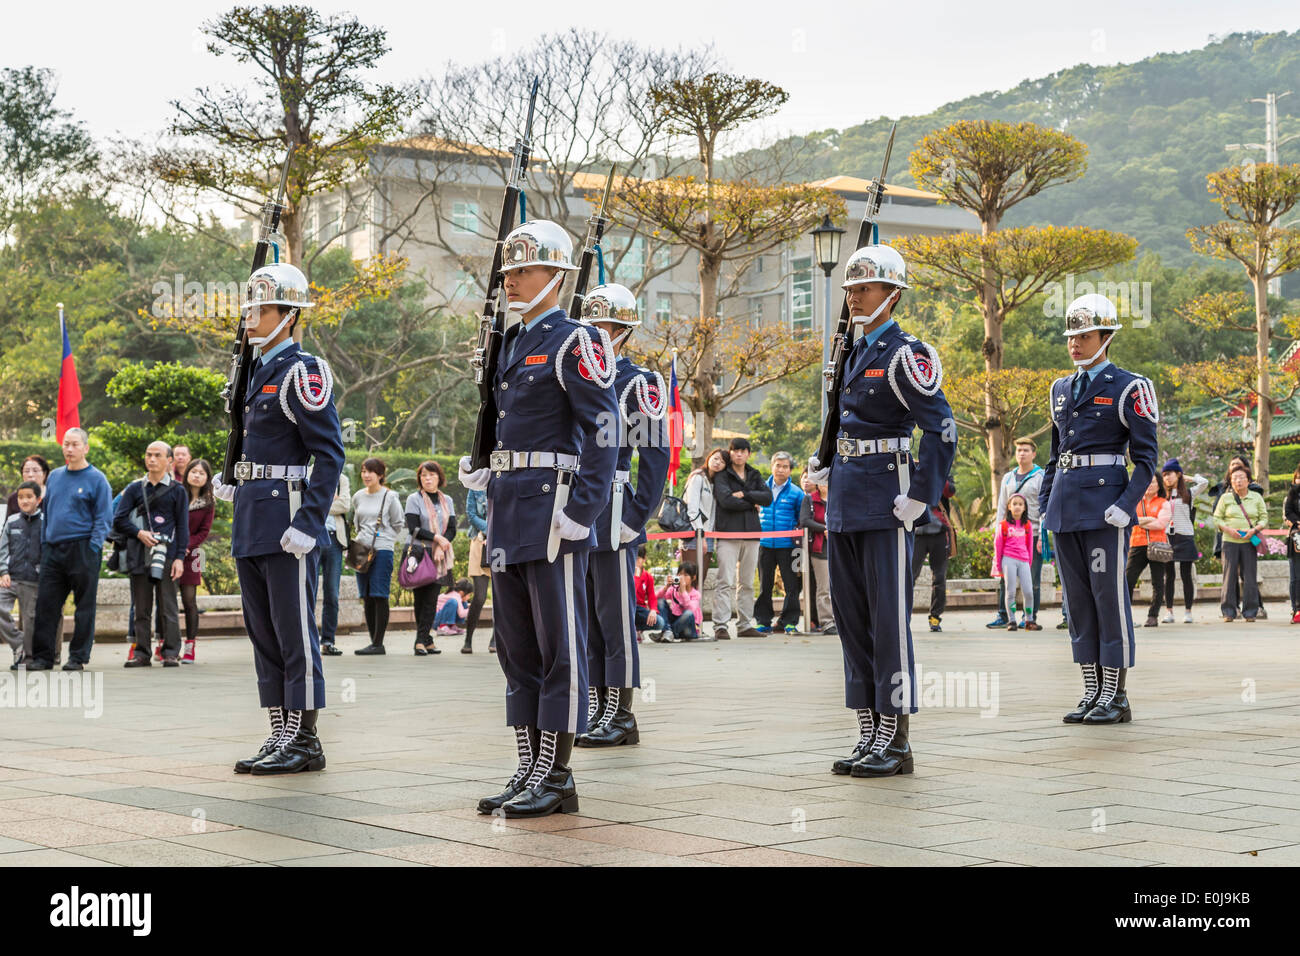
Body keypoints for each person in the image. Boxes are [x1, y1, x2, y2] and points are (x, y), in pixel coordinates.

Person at [458, 218, 618, 818]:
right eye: (508, 273)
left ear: (556, 276)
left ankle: (557, 774)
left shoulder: (577, 341)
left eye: (523, 271)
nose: (513, 282)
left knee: (560, 648)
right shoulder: (510, 341)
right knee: (516, 648)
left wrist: (584, 509)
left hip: (552, 508)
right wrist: (483, 467)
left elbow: (605, 430)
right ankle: (527, 766)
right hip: (508, 506)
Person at [809, 243, 956, 779]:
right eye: (850, 288)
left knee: (888, 622)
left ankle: (895, 738)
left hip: (888, 498)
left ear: (891, 295)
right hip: (846, 498)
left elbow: (941, 428)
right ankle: (868, 728)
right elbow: (839, 421)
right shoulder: (849, 350)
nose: (853, 296)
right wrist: (823, 463)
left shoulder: (905, 353)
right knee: (852, 619)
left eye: (864, 288)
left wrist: (922, 494)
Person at [211, 261, 344, 775]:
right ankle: (279, 730)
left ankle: (305, 738)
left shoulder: (302, 371)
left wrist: (310, 521)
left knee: (294, 630)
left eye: (261, 308)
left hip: (287, 513)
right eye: (249, 307)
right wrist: (235, 475)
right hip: (253, 515)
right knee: (262, 631)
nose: (250, 316)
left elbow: (329, 454)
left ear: (289, 315)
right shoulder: (256, 370)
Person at [1040, 293, 1159, 726]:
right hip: (1066, 506)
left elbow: (1146, 460)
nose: (1075, 343)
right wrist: (1044, 505)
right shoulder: (1059, 389)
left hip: (1105, 504)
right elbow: (1056, 456)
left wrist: (1126, 506)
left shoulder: (1130, 387)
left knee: (1108, 599)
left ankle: (1116, 695)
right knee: (1077, 603)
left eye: (1084, 336)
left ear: (1105, 338)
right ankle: (1092, 689)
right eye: (1071, 336)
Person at [575, 283, 670, 748]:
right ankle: (596, 703)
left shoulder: (638, 383)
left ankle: (621, 712)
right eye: (588, 325)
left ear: (623, 331)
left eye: (602, 326)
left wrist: (637, 515)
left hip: (612, 506)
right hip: (576, 505)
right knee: (587, 614)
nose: (593, 333)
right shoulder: (577, 374)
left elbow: (655, 455)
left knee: (614, 615)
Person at [29, 428, 113, 672]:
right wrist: (45, 543)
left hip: (83, 548)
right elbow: (48, 512)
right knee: (46, 605)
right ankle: (43, 657)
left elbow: (104, 517)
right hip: (53, 550)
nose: (69, 449)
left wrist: (93, 546)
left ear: (85, 448)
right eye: (66, 444)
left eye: (75, 444)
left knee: (84, 606)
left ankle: (77, 657)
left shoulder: (97, 479)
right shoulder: (54, 476)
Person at [115, 440, 189, 667]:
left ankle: (170, 652)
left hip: (166, 554)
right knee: (141, 607)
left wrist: (179, 558)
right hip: (139, 553)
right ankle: (142, 652)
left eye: (157, 455)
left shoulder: (178, 490)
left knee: (168, 606)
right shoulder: (135, 488)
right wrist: (139, 533)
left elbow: (182, 526)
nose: (152, 459)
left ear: (169, 461)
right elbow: (118, 519)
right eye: (149, 455)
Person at [712, 438, 772, 640]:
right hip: (728, 533)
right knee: (725, 581)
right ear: (730, 453)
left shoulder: (754, 473)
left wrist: (744, 494)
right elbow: (726, 500)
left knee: (746, 582)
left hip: (752, 534)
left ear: (748, 453)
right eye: (735, 451)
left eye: (742, 451)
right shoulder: (722, 475)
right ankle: (720, 625)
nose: (738, 454)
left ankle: (745, 624)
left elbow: (767, 498)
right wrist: (751, 502)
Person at [988, 438, 1045, 630]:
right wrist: (997, 531)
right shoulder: (1008, 478)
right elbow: (1002, 507)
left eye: (1026, 450)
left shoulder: (1040, 476)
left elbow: (1045, 506)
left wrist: (1044, 534)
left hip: (1033, 534)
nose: (1022, 453)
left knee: (1032, 580)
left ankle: (1029, 617)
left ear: (1033, 454)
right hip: (1008, 536)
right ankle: (1004, 615)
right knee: (1005, 579)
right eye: (1019, 450)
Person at [351, 457, 404, 655]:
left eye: (370, 471)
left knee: (379, 594)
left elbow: (398, 524)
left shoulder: (390, 496)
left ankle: (378, 643)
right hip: (360, 550)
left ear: (380, 475)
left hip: (382, 550)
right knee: (366, 595)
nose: (366, 475)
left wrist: (383, 536)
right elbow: (357, 523)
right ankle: (372, 642)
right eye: (363, 471)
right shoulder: (358, 496)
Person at [404, 460, 457, 656]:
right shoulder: (414, 499)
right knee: (420, 598)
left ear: (439, 477)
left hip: (439, 555)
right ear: (419, 478)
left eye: (431, 475)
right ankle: (424, 639)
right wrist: (437, 539)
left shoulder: (447, 500)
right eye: (424, 475)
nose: (427, 478)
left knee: (432, 597)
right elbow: (413, 528)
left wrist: (442, 546)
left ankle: (422, 640)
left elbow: (451, 528)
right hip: (419, 552)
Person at [0, 481, 54, 667]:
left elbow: (50, 551)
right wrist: (3, 571)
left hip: (33, 580)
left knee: (29, 618)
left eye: (29, 497)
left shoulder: (46, 523)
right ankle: (18, 643)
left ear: (38, 500)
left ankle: (27, 657)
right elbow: (3, 549)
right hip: (10, 578)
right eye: (21, 497)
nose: (24, 501)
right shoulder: (12, 521)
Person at [1209, 456, 1266, 619]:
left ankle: (1250, 612)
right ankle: (1228, 611)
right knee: (1229, 577)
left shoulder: (1256, 497)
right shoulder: (1225, 498)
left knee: (1249, 577)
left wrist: (1254, 529)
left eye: (1241, 478)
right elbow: (1216, 518)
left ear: (1248, 480)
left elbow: (1264, 517)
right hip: (1229, 542)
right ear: (1230, 481)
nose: (1238, 481)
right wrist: (1227, 529)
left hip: (1249, 541)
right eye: (1234, 478)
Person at [754, 451, 804, 634]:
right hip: (765, 543)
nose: (781, 470)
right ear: (771, 466)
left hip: (788, 546)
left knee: (791, 586)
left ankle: (790, 622)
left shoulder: (797, 493)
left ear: (790, 470)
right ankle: (763, 621)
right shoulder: (761, 489)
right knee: (764, 584)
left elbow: (801, 518)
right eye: (778, 465)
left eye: (785, 467)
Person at [177, 458, 214, 663]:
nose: (197, 475)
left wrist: (187, 546)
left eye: (202, 473)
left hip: (191, 556)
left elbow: (204, 531)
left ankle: (190, 645)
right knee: (166, 601)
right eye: (194, 471)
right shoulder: (176, 495)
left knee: (189, 601)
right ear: (187, 473)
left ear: (207, 478)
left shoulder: (208, 503)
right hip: (172, 553)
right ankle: (166, 643)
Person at [1161, 460, 1207, 623]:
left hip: (1185, 536)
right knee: (1169, 576)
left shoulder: (1188, 493)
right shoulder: (1162, 495)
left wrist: (1188, 477)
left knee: (1186, 575)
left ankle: (1188, 611)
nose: (1166, 478)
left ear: (1178, 474)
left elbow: (1204, 482)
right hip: (1167, 537)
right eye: (1164, 475)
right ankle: (1169, 611)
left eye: (1169, 474)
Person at [1125, 475, 1172, 628]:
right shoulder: (1135, 502)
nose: (1150, 485)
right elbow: (1130, 520)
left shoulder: (1163, 503)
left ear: (1159, 485)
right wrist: (1149, 519)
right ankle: (1125, 615)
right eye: (1148, 481)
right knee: (1128, 580)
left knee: (1158, 582)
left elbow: (1161, 523)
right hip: (1137, 544)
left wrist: (1139, 521)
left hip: (1157, 545)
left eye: (1153, 482)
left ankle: (1153, 616)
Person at [912, 476, 956, 632]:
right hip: (917, 533)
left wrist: (937, 470)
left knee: (939, 578)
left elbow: (950, 492)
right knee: (909, 576)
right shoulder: (914, 469)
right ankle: (903, 616)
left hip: (939, 533)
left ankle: (935, 617)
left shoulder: (943, 472)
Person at [683, 447, 726, 599]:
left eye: (722, 461)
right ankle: (682, 616)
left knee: (700, 579)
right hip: (695, 534)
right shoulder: (698, 477)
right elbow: (692, 509)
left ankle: (694, 618)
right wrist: (701, 536)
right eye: (715, 458)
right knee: (688, 579)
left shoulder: (716, 483)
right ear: (709, 458)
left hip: (708, 536)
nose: (718, 463)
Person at [317, 471, 350, 656]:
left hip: (334, 540)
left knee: (332, 593)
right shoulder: (309, 473)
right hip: (311, 539)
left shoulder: (341, 478)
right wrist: (331, 499)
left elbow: (345, 505)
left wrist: (319, 501)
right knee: (308, 592)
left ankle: (328, 640)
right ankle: (309, 639)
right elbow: (304, 502)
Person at [799, 468, 835, 634]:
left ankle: (840, 620)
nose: (824, 485)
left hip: (840, 548)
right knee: (824, 588)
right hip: (820, 548)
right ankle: (827, 622)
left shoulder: (838, 499)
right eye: (821, 482)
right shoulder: (810, 500)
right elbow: (805, 520)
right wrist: (825, 529)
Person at [993, 493, 1035, 630]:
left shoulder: (1027, 525)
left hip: (1024, 561)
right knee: (1010, 591)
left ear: (1024, 508)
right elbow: (998, 546)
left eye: (1020, 504)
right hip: (1008, 560)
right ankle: (1012, 621)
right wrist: (999, 565)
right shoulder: (1003, 525)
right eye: (1014, 504)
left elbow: (1030, 546)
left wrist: (1029, 563)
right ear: (1009, 507)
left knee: (1028, 591)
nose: (1017, 506)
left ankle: (1029, 620)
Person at [462, 485, 490, 653]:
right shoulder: (475, 486)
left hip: (502, 543)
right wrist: (489, 530)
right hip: (480, 542)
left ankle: (496, 641)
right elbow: (471, 514)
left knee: (502, 599)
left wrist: (496, 532)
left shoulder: (506, 479)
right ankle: (468, 639)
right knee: (479, 597)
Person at [655, 562, 702, 642]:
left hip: (687, 629)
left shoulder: (696, 594)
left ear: (693, 578)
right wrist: (666, 587)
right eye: (680, 574)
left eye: (686, 575)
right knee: (660, 601)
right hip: (675, 620)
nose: (682, 577)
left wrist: (683, 591)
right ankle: (668, 631)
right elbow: (656, 597)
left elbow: (690, 609)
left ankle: (668, 632)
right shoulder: (674, 589)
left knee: (689, 614)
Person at [632, 545, 660, 637]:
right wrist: (636, 576)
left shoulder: (648, 577)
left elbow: (652, 596)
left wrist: (653, 610)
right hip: (629, 607)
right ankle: (634, 629)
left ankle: (637, 628)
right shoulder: (626, 574)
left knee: (660, 623)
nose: (635, 560)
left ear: (644, 559)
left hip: (640, 609)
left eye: (638, 558)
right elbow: (632, 594)